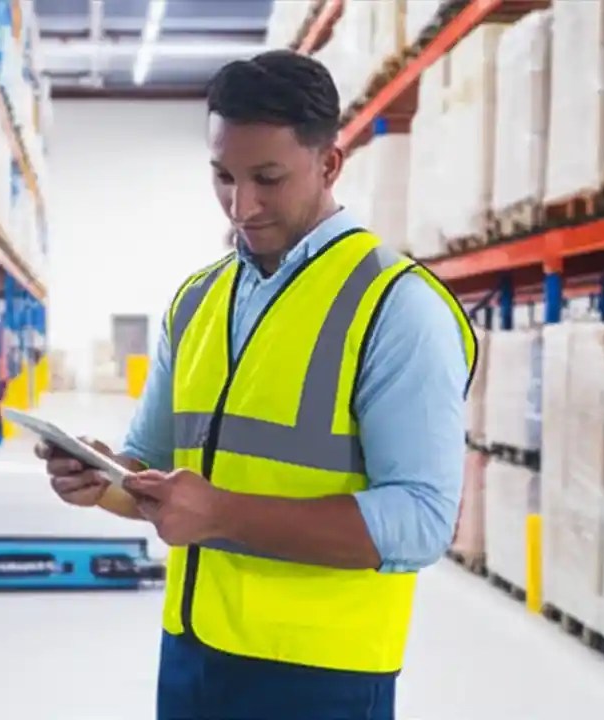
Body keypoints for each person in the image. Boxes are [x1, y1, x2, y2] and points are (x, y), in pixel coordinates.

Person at [35, 49, 476, 720]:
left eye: (267, 177)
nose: (241, 205)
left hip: (321, 676)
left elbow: (420, 523)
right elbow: (151, 471)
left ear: (329, 163)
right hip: (192, 657)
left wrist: (221, 513)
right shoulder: (198, 301)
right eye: (222, 176)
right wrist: (101, 480)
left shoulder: (396, 306)